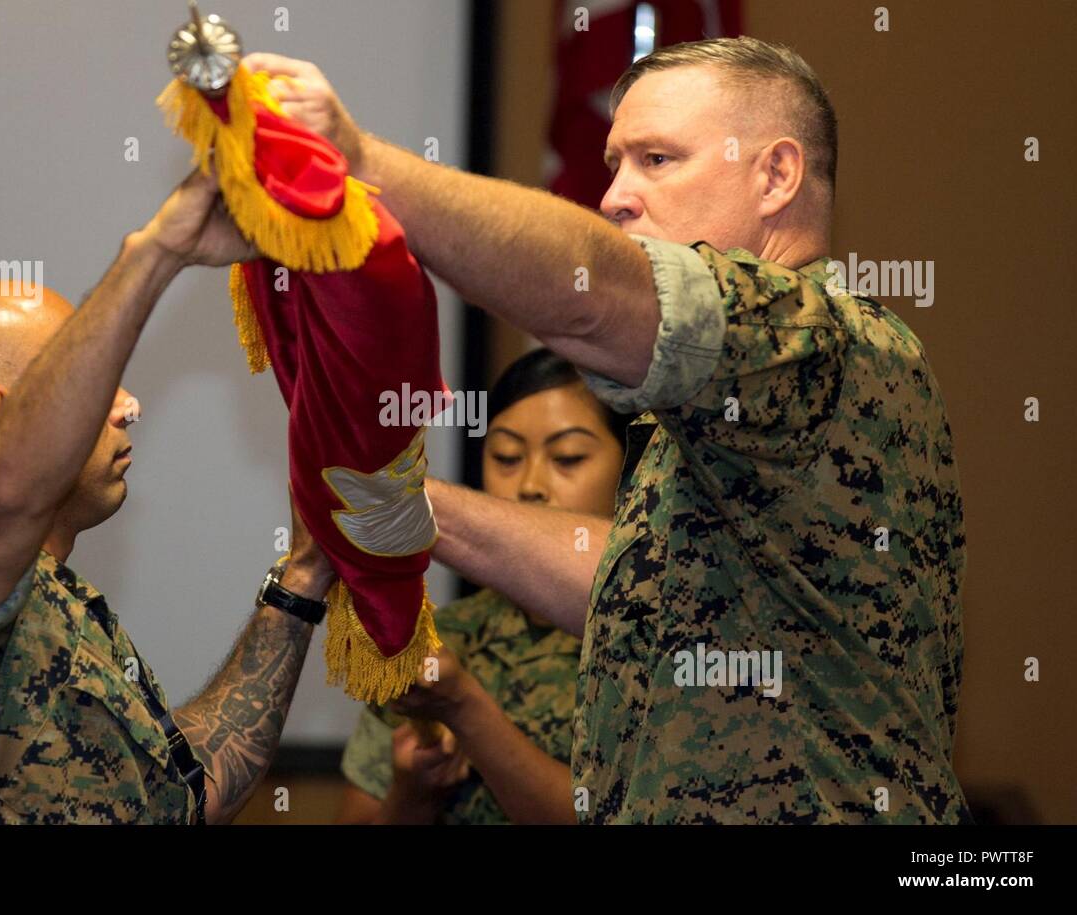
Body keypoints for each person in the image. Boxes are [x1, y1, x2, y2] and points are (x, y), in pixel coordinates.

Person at [243, 36, 970, 824]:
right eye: (615, 164)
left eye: (657, 160)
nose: (616, 196)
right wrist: (412, 506)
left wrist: (360, 164)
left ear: (777, 175)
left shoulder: (816, 343)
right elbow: (637, 585)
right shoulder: (717, 408)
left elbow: (592, 300)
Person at [0, 169, 335, 824]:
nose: (128, 405)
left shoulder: (58, 602)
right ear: (5, 417)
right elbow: (6, 491)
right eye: (90, 381)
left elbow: (188, 793)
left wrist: (304, 572)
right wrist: (156, 252)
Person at [336, 349, 629, 825]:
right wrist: (413, 793)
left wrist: (466, 710)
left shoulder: (657, 639)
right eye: (507, 457)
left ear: (631, 470)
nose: (531, 484)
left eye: (568, 458)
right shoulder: (439, 644)